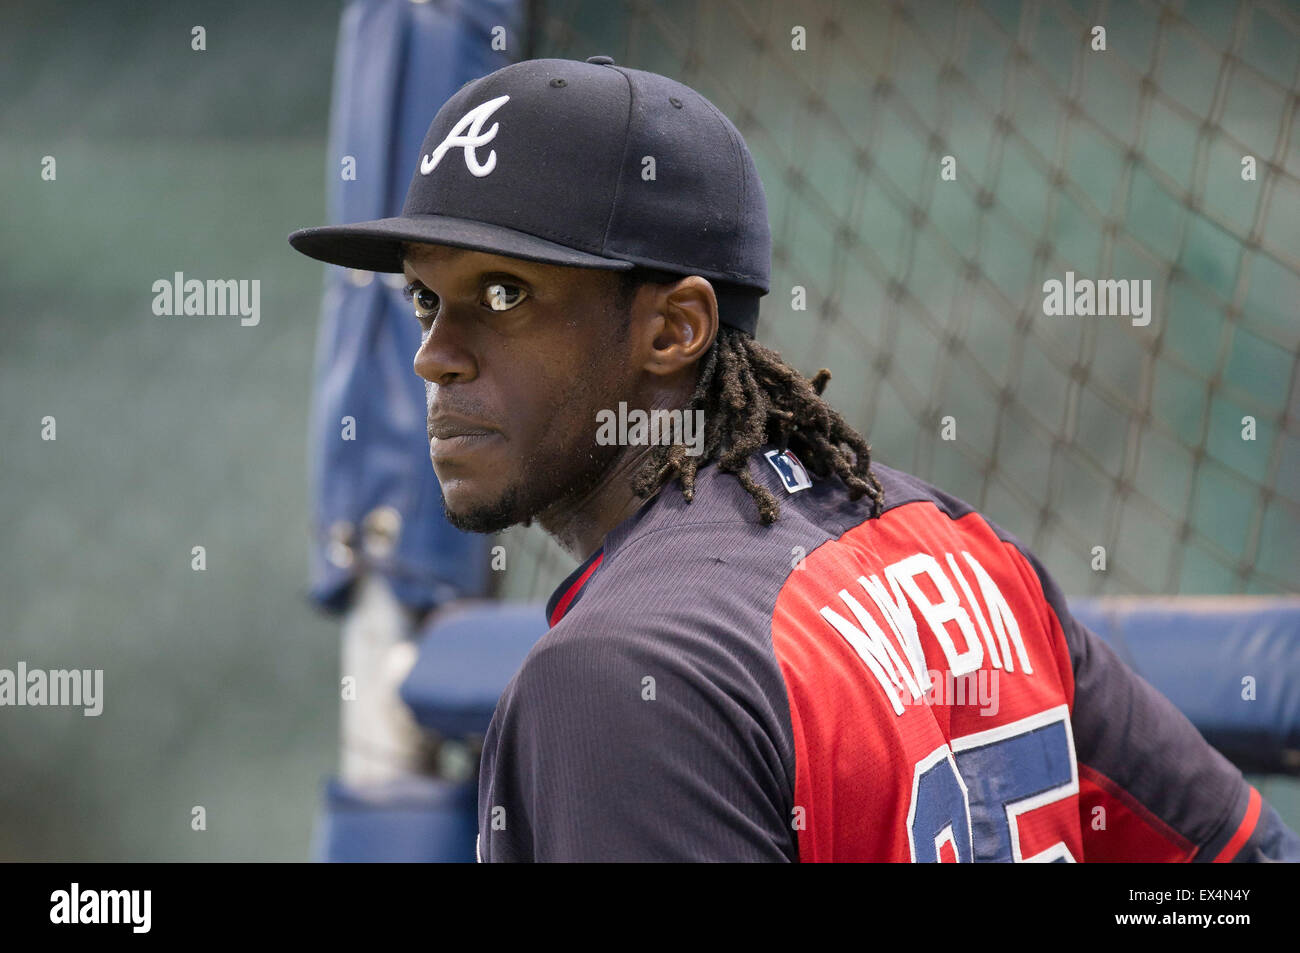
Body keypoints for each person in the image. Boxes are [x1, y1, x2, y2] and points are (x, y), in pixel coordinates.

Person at [289, 56, 1300, 862]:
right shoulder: (956, 547)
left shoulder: (622, 674)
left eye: (502, 293)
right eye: (426, 298)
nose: (435, 352)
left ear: (674, 328)